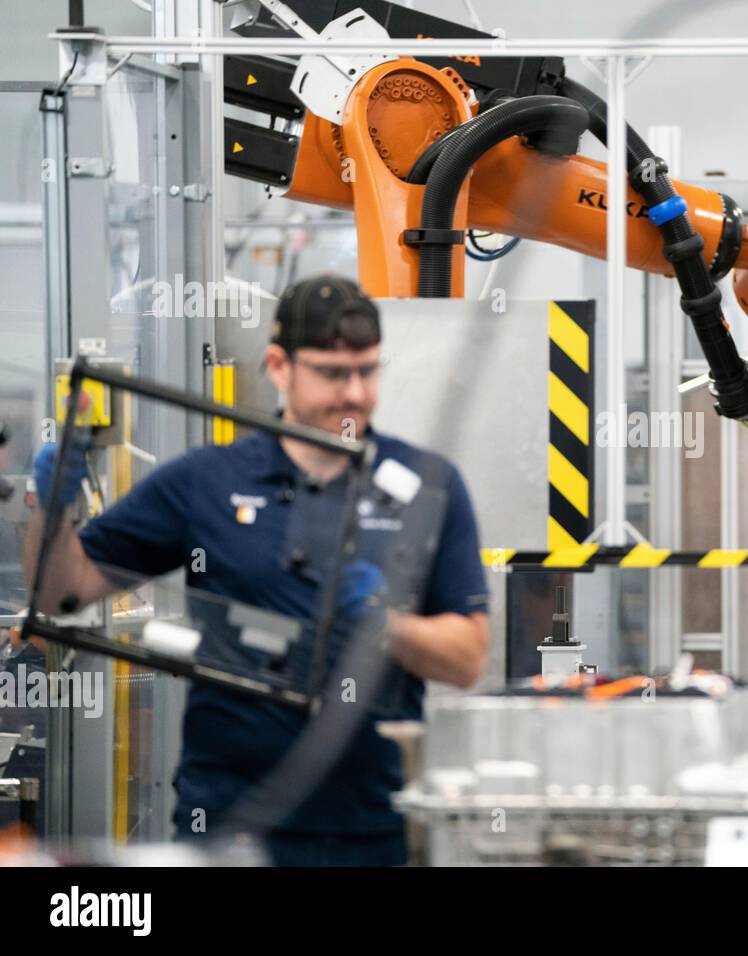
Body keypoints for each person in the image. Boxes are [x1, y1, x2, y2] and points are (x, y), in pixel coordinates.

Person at [24, 275, 489, 865]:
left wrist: (381, 622)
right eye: (330, 373)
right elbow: (64, 591)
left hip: (375, 831)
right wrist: (53, 508)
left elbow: (468, 657)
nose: (353, 394)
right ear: (279, 366)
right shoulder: (208, 482)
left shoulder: (427, 486)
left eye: (367, 372)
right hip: (230, 830)